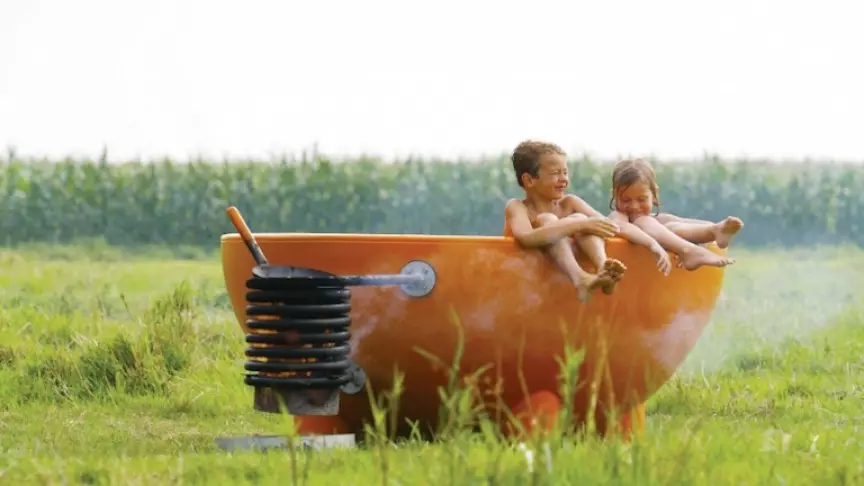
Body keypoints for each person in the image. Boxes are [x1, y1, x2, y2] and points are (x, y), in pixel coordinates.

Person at [503, 140, 628, 302]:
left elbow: (604, 225)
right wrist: (578, 225)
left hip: (558, 282)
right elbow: (526, 238)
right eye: (555, 173)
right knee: (553, 220)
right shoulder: (517, 207)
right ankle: (580, 278)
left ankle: (604, 269)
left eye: (565, 172)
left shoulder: (570, 203)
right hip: (523, 276)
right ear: (529, 180)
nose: (563, 179)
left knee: (583, 220)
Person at [607, 158, 743, 270]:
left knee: (668, 222)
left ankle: (712, 231)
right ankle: (688, 251)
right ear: (615, 196)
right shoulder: (618, 216)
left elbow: (678, 224)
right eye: (626, 200)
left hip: (663, 235)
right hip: (630, 265)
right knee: (645, 222)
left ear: (654, 195)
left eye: (641, 199)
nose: (634, 206)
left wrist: (709, 232)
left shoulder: (656, 221)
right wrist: (652, 244)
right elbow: (621, 226)